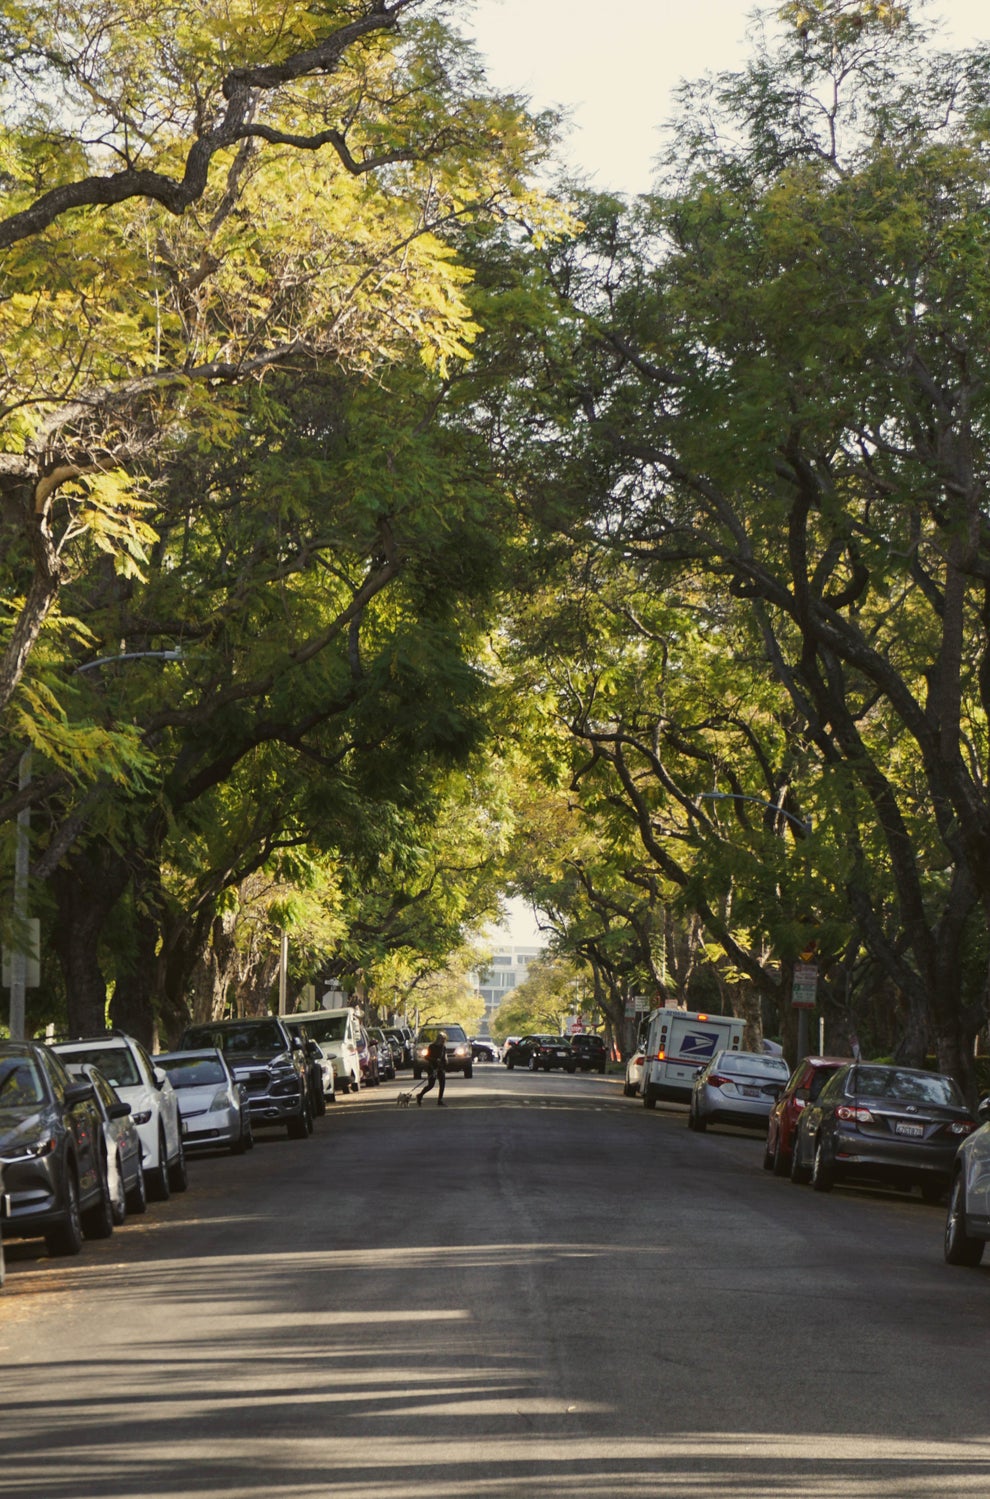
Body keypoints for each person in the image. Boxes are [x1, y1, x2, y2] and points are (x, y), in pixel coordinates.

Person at [417, 1031, 447, 1106]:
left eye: (444, 1039)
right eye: (441, 1039)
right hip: (432, 1067)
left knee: (442, 1083)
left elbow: (444, 1058)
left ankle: (440, 1100)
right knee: (431, 1085)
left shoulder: (443, 1048)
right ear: (438, 1039)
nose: (443, 1041)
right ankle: (420, 1095)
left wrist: (444, 1062)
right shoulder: (432, 1046)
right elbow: (427, 1057)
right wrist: (435, 1060)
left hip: (440, 1068)